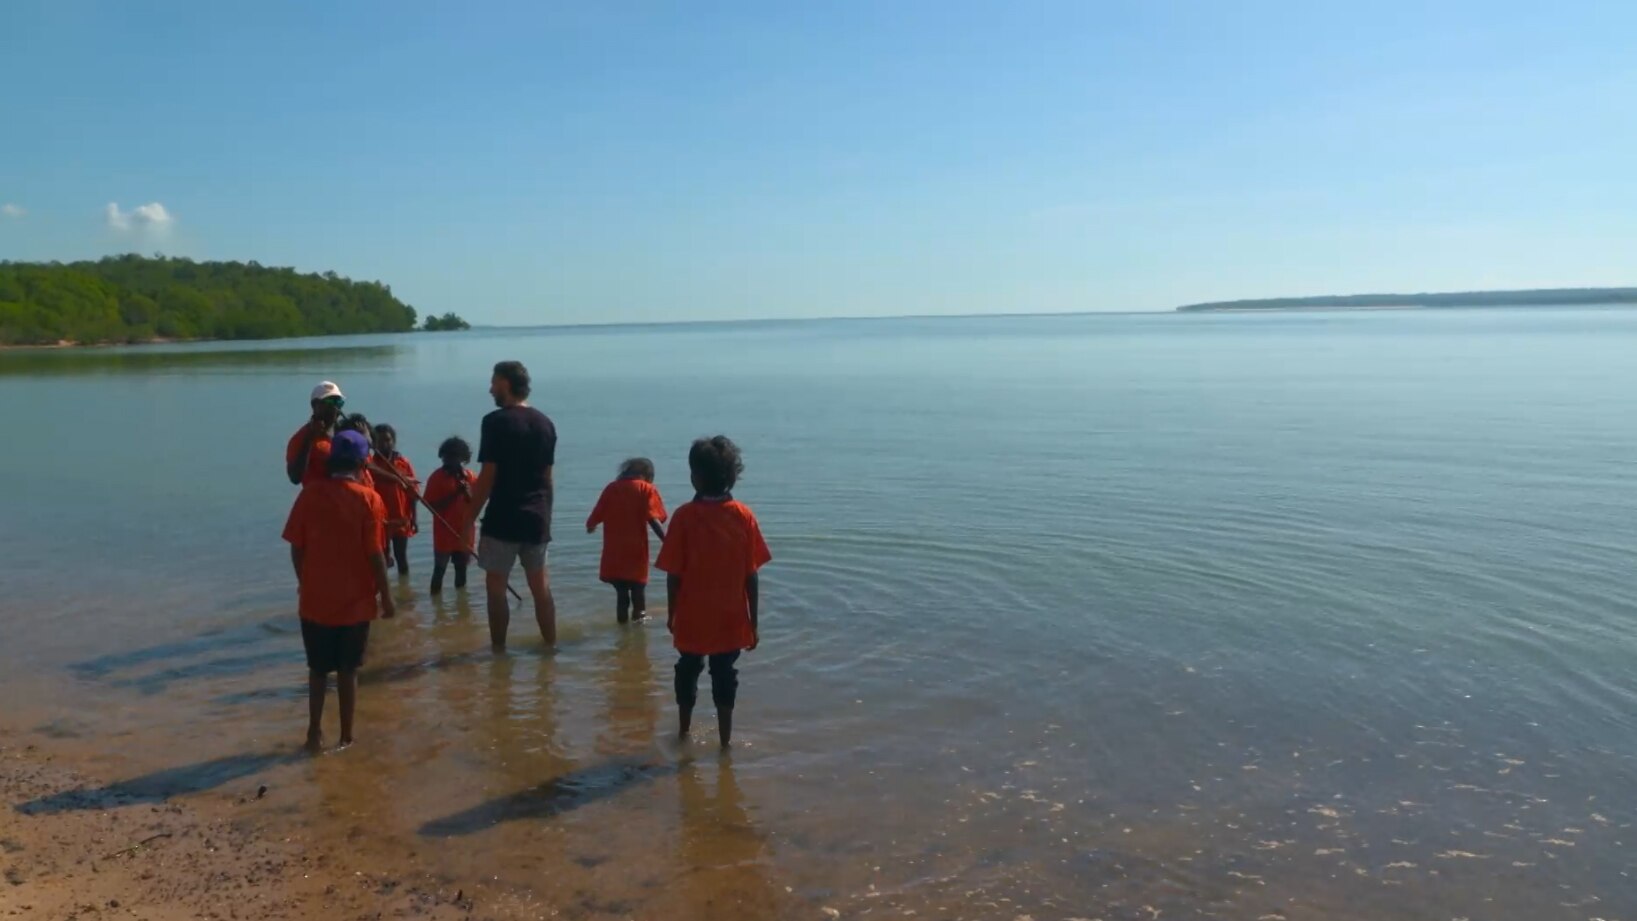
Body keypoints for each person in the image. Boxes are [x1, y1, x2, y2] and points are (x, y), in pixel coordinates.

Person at [281, 430, 396, 753]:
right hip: (356, 603)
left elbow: (296, 547)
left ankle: (314, 733)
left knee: (317, 671)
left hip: (315, 600)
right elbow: (375, 554)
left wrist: (305, 582)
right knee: (348, 671)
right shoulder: (369, 499)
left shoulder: (309, 494)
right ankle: (346, 737)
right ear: (362, 463)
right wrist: (386, 597)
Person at [655, 436, 771, 749]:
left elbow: (673, 574)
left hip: (692, 616)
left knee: (688, 670)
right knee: (725, 675)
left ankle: (683, 733)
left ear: (695, 477)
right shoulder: (744, 516)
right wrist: (754, 622)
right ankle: (725, 743)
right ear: (732, 476)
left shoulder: (683, 517)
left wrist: (671, 613)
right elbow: (752, 575)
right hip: (730, 618)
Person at [468, 360, 559, 649]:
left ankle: (498, 652)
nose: (490, 389)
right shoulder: (545, 423)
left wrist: (467, 519)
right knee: (541, 588)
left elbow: (488, 477)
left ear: (506, 384)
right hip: (536, 517)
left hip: (503, 519)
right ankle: (550, 647)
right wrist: (547, 516)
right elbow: (548, 479)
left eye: (494, 382)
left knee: (495, 589)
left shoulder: (494, 422)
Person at [586, 457, 668, 625]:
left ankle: (622, 625)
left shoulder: (611, 488)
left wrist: (591, 525)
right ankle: (640, 624)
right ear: (647, 475)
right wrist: (667, 542)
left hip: (614, 554)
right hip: (635, 553)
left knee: (622, 595)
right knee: (638, 591)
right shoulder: (646, 489)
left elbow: (597, 512)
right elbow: (654, 519)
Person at [425, 436, 477, 593]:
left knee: (461, 573)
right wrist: (454, 494)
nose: (449, 461)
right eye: (446, 457)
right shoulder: (437, 477)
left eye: (454, 457)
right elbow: (431, 506)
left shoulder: (471, 477)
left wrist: (468, 493)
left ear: (463, 458)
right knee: (439, 571)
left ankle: (461, 610)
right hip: (444, 533)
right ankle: (436, 604)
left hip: (464, 533)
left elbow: (476, 504)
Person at [372, 423, 419, 576]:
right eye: (380, 441)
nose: (385, 444)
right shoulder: (371, 464)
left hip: (400, 518)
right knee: (381, 559)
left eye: (388, 440)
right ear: (374, 443)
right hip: (380, 520)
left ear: (393, 441)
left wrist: (414, 518)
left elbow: (413, 493)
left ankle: (404, 591)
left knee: (401, 557)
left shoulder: (403, 463)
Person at [286, 381, 344, 486]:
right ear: (314, 405)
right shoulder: (300, 438)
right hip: (318, 498)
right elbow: (295, 478)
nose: (336, 407)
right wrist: (309, 440)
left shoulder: (345, 432)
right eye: (330, 402)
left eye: (339, 402)